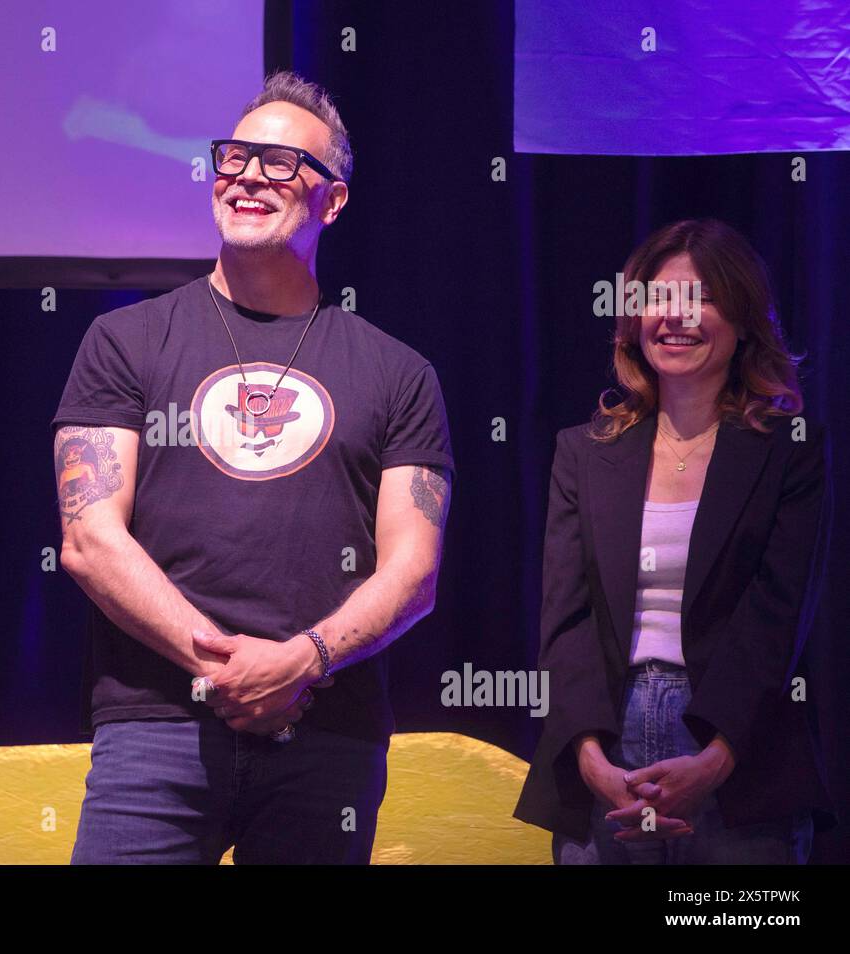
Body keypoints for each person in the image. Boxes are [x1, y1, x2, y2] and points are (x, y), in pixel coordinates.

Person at [52, 73, 455, 863]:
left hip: (327, 734)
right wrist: (227, 668)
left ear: (332, 202)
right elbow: (88, 539)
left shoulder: (398, 372)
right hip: (156, 726)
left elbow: (414, 569)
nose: (247, 177)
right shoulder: (125, 341)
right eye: (236, 157)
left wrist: (301, 662)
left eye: (279, 163)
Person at [514, 219, 834, 864]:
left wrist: (715, 758)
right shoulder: (583, 451)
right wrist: (592, 760)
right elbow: (566, 618)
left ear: (744, 320)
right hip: (602, 739)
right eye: (659, 299)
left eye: (703, 299)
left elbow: (778, 617)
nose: (676, 318)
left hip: (737, 744)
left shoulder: (789, 452)